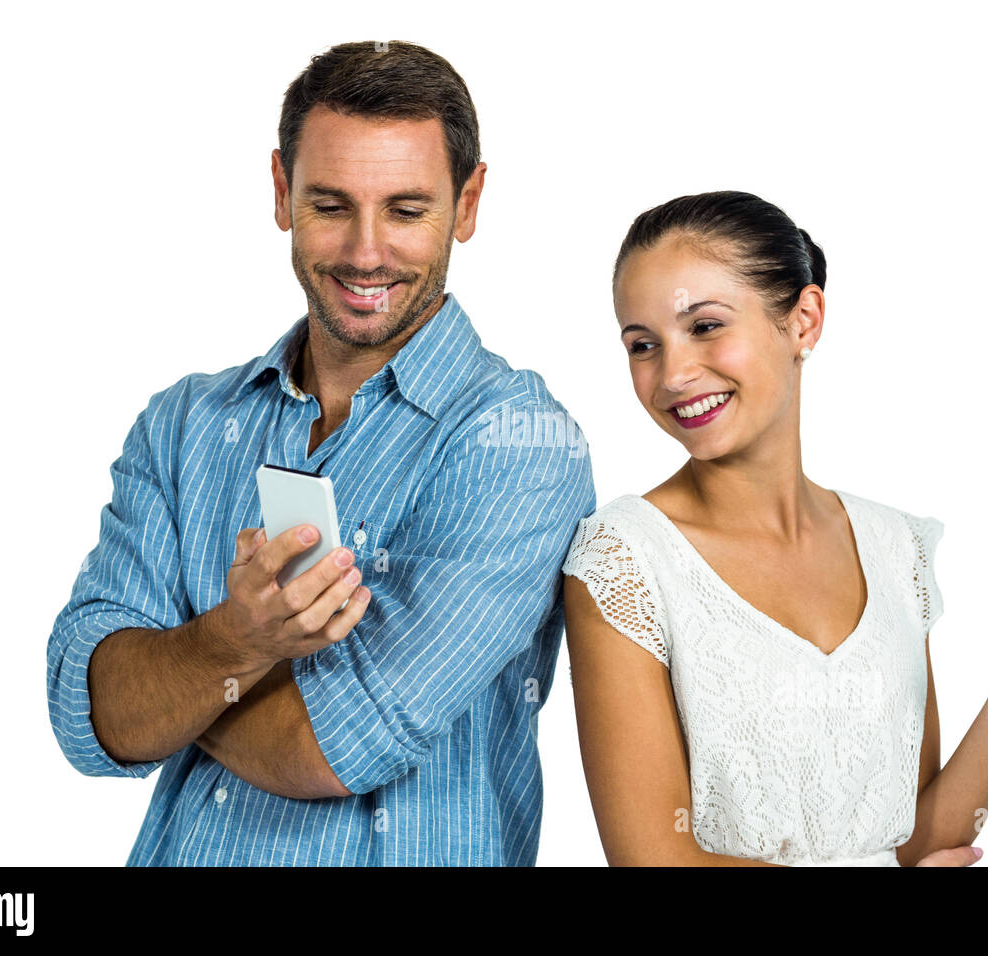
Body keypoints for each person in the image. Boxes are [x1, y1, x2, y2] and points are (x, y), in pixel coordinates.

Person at [46, 40, 594, 866]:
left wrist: (185, 684)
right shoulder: (184, 425)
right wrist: (239, 639)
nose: (366, 252)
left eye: (407, 211)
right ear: (280, 191)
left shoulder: (521, 444)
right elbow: (86, 716)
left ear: (470, 201)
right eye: (331, 205)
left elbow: (340, 744)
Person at [560, 190, 988, 867]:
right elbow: (654, 863)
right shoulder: (622, 561)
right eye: (643, 345)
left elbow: (911, 845)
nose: (673, 374)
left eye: (704, 326)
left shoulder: (894, 549)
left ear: (804, 320)